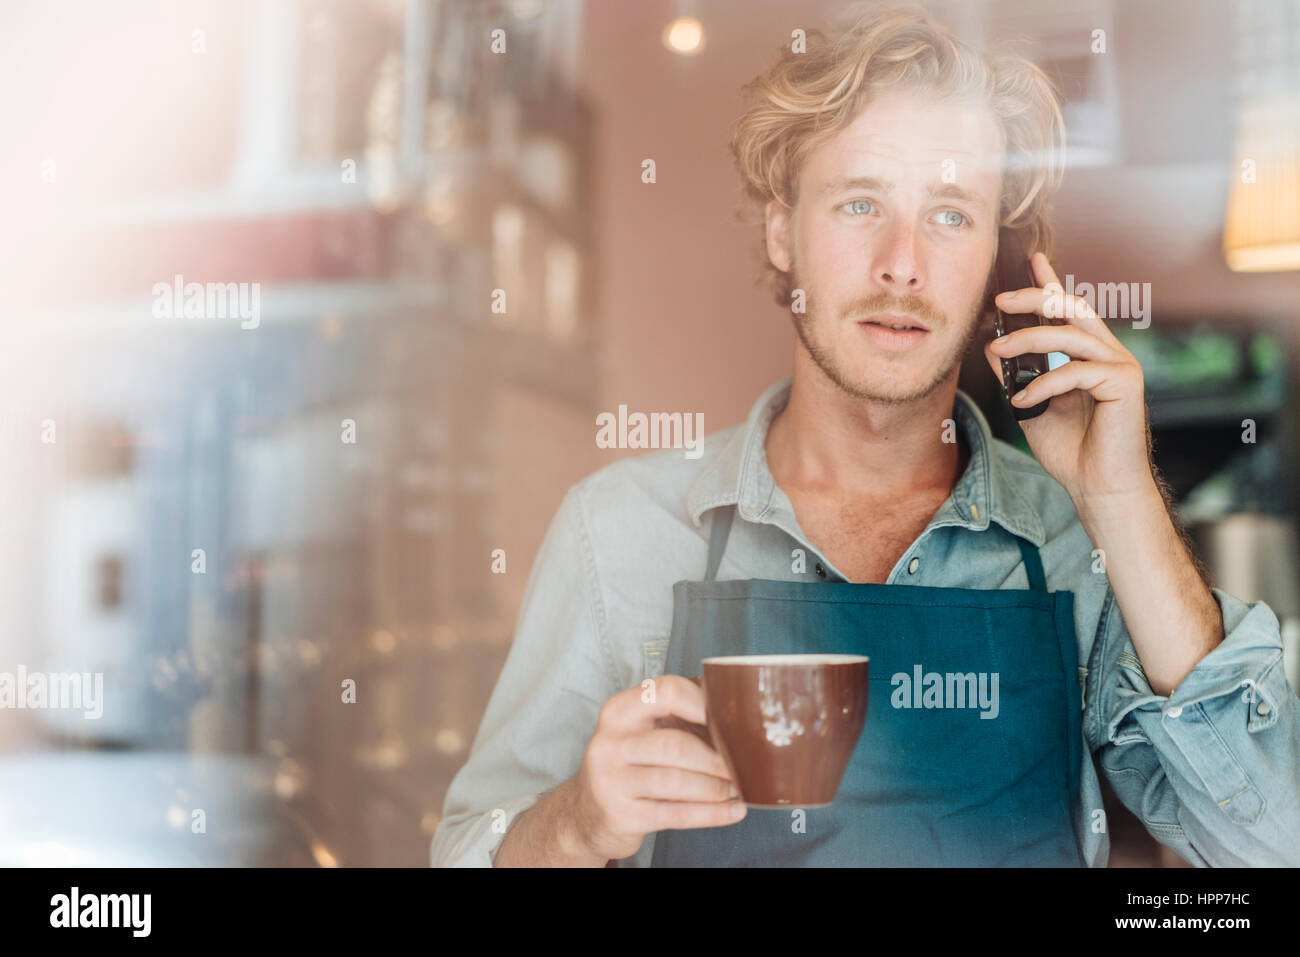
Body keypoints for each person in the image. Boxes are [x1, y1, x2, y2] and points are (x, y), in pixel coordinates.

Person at [431, 5, 1300, 867]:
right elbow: (469, 850)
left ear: (994, 254)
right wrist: (579, 823)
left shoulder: (1078, 541)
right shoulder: (614, 531)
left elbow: (1269, 845)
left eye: (952, 215)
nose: (903, 262)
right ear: (783, 232)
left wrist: (1123, 500)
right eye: (859, 203)